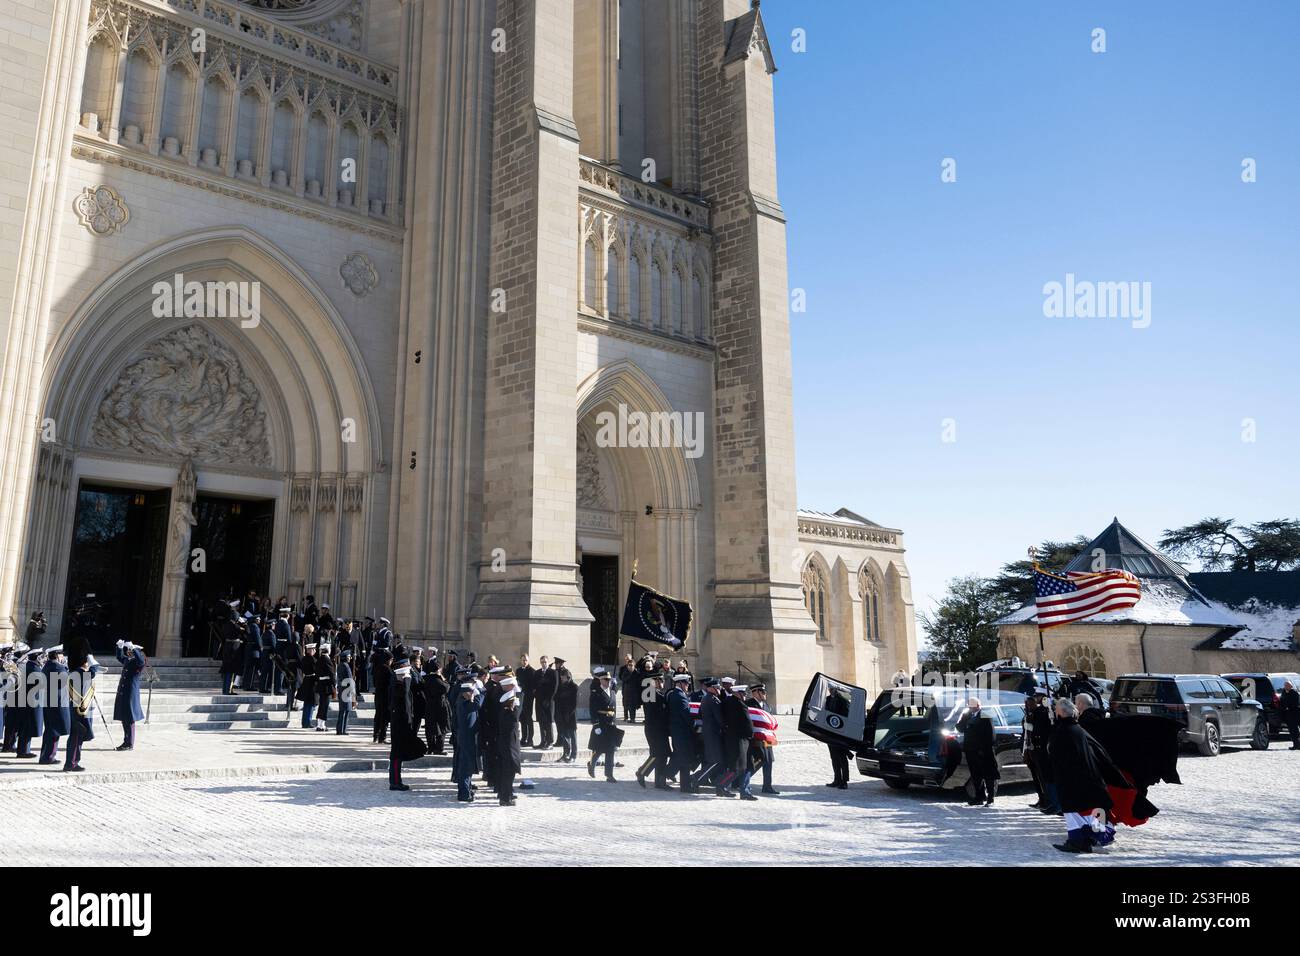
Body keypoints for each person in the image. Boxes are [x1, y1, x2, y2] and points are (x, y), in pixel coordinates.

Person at [1048, 697, 1126, 853]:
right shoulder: (1077, 729)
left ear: (1061, 713)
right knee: (1091, 810)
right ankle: (1089, 838)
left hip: (1073, 782)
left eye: (1055, 711)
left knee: (1076, 813)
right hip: (1088, 780)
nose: (1053, 713)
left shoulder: (1064, 731)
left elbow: (1057, 756)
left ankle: (1078, 842)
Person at [956, 697, 998, 806]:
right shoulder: (967, 715)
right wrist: (963, 717)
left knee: (988, 775)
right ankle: (979, 797)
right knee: (975, 775)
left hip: (983, 751)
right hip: (971, 750)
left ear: (978, 705)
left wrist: (984, 749)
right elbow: (960, 728)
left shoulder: (985, 715)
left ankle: (990, 798)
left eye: (973, 705)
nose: (971, 708)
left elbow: (991, 735)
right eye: (969, 706)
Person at [388, 653, 419, 792]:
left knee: (398, 754)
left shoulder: (399, 682)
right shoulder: (397, 684)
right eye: (407, 667)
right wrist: (406, 682)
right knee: (396, 754)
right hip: (399, 724)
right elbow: (404, 701)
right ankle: (395, 782)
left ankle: (396, 780)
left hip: (400, 723)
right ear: (401, 669)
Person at [721, 683, 757, 799]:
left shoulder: (726, 702)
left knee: (742, 766)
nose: (745, 695)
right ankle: (722, 785)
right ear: (737, 693)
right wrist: (751, 735)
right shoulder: (741, 705)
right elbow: (748, 723)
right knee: (740, 767)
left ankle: (744, 790)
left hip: (731, 738)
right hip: (741, 739)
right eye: (743, 693)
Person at [64, 652, 99, 772]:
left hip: (76, 707)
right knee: (76, 737)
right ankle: (71, 763)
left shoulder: (75, 672)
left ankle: (73, 762)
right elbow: (94, 670)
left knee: (76, 737)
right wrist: (92, 660)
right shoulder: (79, 673)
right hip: (79, 710)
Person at [1023, 690, 1056, 812]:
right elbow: (1028, 733)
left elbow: (1042, 730)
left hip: (1042, 749)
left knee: (1045, 777)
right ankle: (1044, 799)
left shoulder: (1044, 712)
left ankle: (1050, 801)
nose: (1036, 699)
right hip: (1034, 749)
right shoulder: (1033, 713)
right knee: (1038, 777)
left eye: (1038, 697)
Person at [636, 673, 670, 789]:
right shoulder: (651, 694)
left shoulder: (656, 693)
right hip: (655, 729)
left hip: (659, 729)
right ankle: (641, 772)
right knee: (657, 754)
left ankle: (659, 781)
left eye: (662, 680)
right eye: (659, 680)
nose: (662, 682)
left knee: (663, 755)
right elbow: (654, 714)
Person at [695, 677, 729, 794]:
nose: (719, 689)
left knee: (715, 760)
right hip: (713, 734)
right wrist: (727, 727)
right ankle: (696, 779)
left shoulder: (706, 698)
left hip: (709, 733)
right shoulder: (712, 700)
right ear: (711, 688)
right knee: (715, 760)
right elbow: (720, 719)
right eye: (717, 687)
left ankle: (699, 779)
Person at [664, 672, 696, 794]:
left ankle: (684, 785)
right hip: (681, 732)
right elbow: (686, 715)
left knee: (682, 758)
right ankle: (680, 782)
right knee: (684, 758)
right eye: (686, 683)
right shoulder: (680, 696)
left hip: (677, 731)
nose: (688, 685)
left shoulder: (675, 694)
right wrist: (694, 726)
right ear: (680, 683)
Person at [587, 666, 620, 781]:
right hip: (601, 723)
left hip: (610, 724)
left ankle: (609, 774)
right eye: (606, 679)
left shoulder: (612, 692)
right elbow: (592, 709)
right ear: (600, 680)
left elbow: (614, 709)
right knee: (600, 749)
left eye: (609, 680)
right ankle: (592, 764)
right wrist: (595, 724)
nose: (608, 681)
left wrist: (614, 721)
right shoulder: (596, 693)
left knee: (611, 749)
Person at [113, 640, 146, 750]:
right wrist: (120, 647)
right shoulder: (129, 660)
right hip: (124, 692)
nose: (129, 652)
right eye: (129, 651)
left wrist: (135, 649)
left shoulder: (139, 662)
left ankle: (129, 743)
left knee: (130, 719)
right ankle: (126, 741)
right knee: (124, 718)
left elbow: (141, 661)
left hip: (131, 694)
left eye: (131, 651)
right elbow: (120, 657)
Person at [747, 683, 779, 795]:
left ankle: (767, 786)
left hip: (767, 737)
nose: (765, 694)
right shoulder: (749, 704)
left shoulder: (766, 706)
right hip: (755, 738)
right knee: (756, 761)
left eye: (765, 692)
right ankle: (742, 782)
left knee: (769, 761)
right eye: (762, 692)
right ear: (755, 692)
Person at [39, 646, 69, 764]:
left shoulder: (47, 666)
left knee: (50, 730)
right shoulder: (58, 667)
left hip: (49, 702)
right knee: (54, 731)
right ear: (57, 655)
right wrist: (65, 667)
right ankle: (49, 757)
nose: (63, 656)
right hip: (56, 703)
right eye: (61, 654)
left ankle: (44, 755)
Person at [452, 680, 481, 801]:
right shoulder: (465, 704)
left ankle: (466, 790)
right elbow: (479, 703)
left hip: (465, 738)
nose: (472, 694)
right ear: (465, 693)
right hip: (466, 739)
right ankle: (464, 794)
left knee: (466, 766)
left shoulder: (463, 701)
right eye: (471, 691)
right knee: (465, 767)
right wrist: (480, 691)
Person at [12, 647, 42, 758]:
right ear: (36, 657)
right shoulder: (33, 669)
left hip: (26, 702)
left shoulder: (30, 666)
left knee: (26, 727)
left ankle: (24, 750)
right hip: (29, 703)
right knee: (26, 728)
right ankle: (23, 751)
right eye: (40, 656)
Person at [497, 678, 522, 805]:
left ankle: (505, 795)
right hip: (509, 747)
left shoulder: (505, 712)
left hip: (507, 745)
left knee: (507, 772)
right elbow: (515, 718)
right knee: (508, 772)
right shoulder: (509, 714)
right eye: (513, 702)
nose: (515, 704)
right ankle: (505, 798)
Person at [823, 686, 851, 790]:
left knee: (842, 758)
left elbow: (847, 715)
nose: (830, 690)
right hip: (830, 733)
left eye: (832, 688)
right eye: (829, 688)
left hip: (840, 732)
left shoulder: (843, 701)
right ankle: (837, 779)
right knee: (834, 757)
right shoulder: (828, 699)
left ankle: (844, 781)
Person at [422, 659, 450, 754]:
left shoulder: (425, 679)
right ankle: (438, 748)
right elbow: (446, 688)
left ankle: (431, 747)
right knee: (441, 728)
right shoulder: (437, 680)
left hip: (429, 705)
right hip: (440, 706)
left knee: (430, 728)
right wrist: (443, 679)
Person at [553, 659, 578, 761]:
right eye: (561, 677)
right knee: (564, 736)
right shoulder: (561, 687)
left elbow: (574, 704)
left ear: (568, 677)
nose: (561, 679)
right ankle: (565, 754)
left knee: (573, 736)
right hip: (562, 714)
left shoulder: (574, 687)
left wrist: (568, 714)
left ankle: (573, 755)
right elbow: (557, 699)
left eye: (563, 677)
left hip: (571, 716)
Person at [533, 655, 556, 750]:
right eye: (542, 662)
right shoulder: (537, 672)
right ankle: (543, 741)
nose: (543, 664)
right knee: (541, 722)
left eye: (545, 662)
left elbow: (554, 687)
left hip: (548, 702)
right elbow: (534, 686)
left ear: (548, 662)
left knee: (548, 722)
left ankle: (550, 742)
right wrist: (537, 696)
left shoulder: (553, 673)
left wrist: (548, 700)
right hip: (539, 701)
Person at [371, 644, 393, 743]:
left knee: (378, 715)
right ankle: (382, 737)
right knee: (384, 717)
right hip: (385, 696)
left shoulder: (377, 668)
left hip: (378, 694)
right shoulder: (387, 669)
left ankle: (376, 735)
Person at [219, 612, 243, 695]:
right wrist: (244, 623)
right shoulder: (236, 626)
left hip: (226, 648)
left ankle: (225, 690)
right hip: (233, 649)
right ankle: (228, 690)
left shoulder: (225, 625)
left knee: (226, 671)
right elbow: (247, 632)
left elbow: (222, 637)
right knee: (231, 671)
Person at [296, 638, 318, 728]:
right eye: (314, 649)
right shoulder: (312, 660)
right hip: (312, 681)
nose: (315, 651)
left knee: (306, 704)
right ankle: (308, 722)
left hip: (306, 681)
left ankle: (304, 722)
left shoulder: (304, 659)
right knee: (311, 703)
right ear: (311, 650)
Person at [314, 641, 335, 731]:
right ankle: (321, 725)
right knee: (325, 705)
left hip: (321, 684)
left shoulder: (319, 659)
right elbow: (332, 674)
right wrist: (334, 684)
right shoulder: (326, 659)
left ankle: (320, 724)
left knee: (322, 705)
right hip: (326, 685)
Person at [517, 654, 537, 747]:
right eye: (523, 660)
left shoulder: (532, 671)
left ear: (528, 661)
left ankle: (530, 739)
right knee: (522, 718)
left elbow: (533, 686)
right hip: (520, 697)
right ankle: (524, 738)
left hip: (528, 698)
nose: (524, 662)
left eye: (526, 660)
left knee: (528, 718)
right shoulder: (518, 670)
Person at [336, 648, 355, 735]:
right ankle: (342, 729)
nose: (350, 658)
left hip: (342, 689)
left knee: (343, 710)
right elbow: (349, 680)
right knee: (345, 711)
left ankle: (341, 729)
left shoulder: (340, 665)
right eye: (349, 656)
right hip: (346, 690)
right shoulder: (346, 666)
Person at [618, 653, 639, 723]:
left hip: (634, 691)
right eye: (626, 659)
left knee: (632, 705)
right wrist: (630, 674)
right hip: (626, 689)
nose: (630, 666)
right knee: (625, 704)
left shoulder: (636, 672)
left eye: (629, 659)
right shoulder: (624, 670)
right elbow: (622, 678)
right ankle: (626, 717)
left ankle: (632, 718)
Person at [1280, 680, 1300, 750]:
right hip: (1288, 715)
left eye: (1287, 685)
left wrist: (1288, 707)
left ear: (1291, 686)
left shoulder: (1294, 693)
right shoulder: (1283, 693)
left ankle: (1298, 744)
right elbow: (1282, 701)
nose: (1286, 687)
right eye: (1285, 685)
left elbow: (1295, 703)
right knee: (1292, 731)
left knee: (1296, 731)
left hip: (1295, 714)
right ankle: (1296, 745)